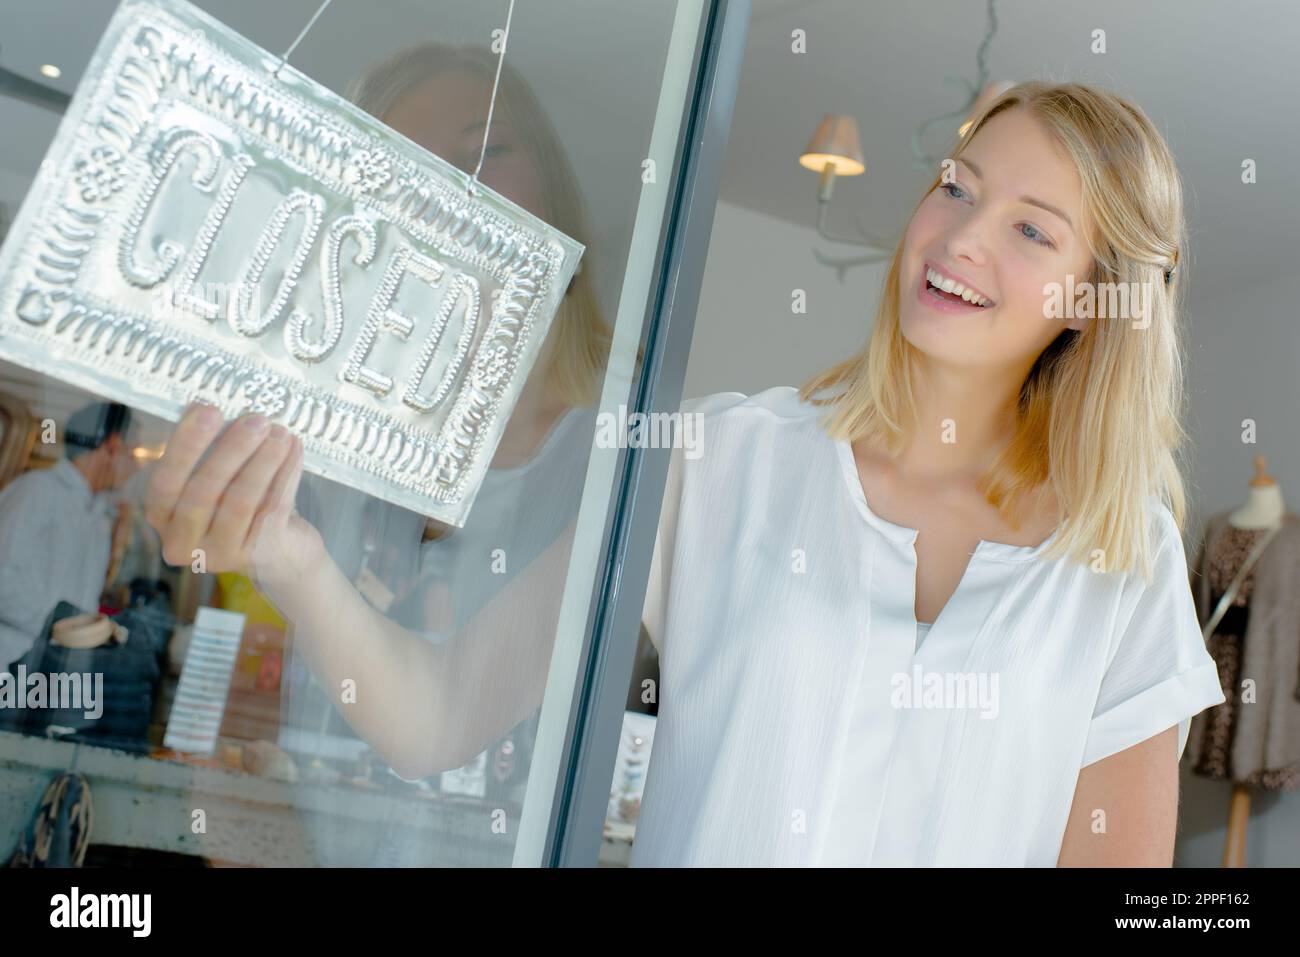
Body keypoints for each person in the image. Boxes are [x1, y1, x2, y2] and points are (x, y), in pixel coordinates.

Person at [146, 79, 1222, 866]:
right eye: (955, 186)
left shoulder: (1122, 559)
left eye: (1031, 229)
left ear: (1095, 299)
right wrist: (286, 555)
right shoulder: (719, 460)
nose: (960, 237)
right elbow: (437, 716)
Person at [0, 402, 138, 667]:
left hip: (52, 673)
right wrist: (61, 627)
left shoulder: (100, 515)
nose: (136, 466)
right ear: (112, 445)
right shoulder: (36, 490)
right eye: (133, 453)